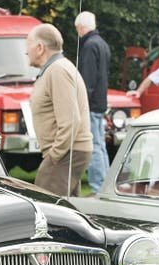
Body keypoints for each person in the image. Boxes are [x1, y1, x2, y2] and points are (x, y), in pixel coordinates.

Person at [26, 24, 92, 197]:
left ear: (40, 48)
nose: (26, 51)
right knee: (68, 214)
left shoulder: (58, 70)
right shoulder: (56, 69)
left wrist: (54, 156)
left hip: (66, 153)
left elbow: (71, 120)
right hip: (69, 152)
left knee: (46, 208)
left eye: (28, 45)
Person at [75, 11, 110, 194]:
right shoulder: (102, 44)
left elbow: (86, 79)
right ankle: (106, 183)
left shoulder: (89, 46)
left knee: (94, 146)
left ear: (81, 27)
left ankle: (98, 187)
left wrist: (80, 102)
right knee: (101, 146)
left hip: (91, 103)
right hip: (101, 101)